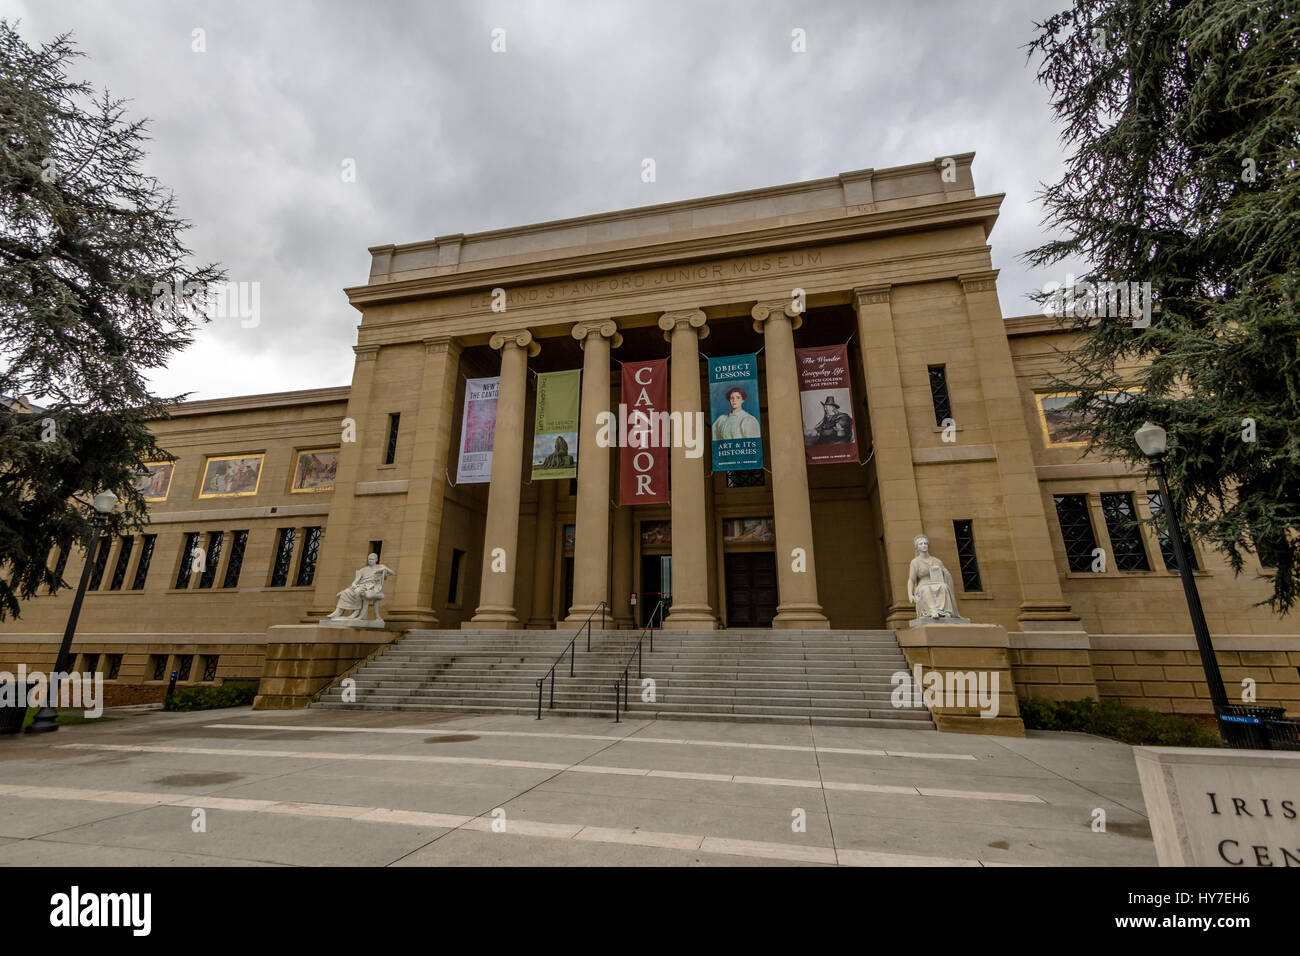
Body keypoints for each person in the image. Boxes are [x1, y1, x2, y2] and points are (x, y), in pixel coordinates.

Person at [324, 553, 395, 623]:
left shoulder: (380, 567)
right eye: (369, 559)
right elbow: (355, 581)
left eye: (372, 559)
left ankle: (356, 611)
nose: (370, 561)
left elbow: (392, 573)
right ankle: (338, 611)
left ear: (376, 559)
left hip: (372, 587)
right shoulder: (363, 569)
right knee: (345, 592)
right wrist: (354, 584)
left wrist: (385, 568)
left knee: (358, 591)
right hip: (361, 585)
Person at [907, 534, 960, 620]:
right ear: (917, 547)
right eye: (921, 544)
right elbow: (911, 579)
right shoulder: (915, 562)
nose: (924, 545)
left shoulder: (936, 561)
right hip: (923, 584)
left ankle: (944, 612)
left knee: (944, 587)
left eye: (925, 543)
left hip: (937, 582)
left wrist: (943, 571)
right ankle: (933, 610)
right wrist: (910, 594)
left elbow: (946, 574)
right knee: (926, 589)